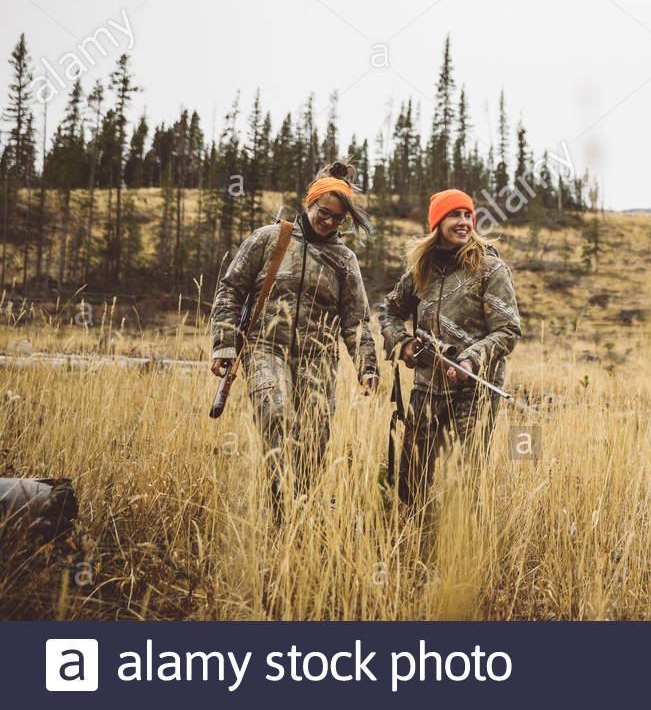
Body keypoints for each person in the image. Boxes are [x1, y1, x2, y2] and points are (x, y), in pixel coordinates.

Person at [210, 161, 380, 519]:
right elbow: (231, 288)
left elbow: (356, 320)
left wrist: (367, 367)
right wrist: (225, 343)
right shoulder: (270, 239)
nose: (330, 222)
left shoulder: (344, 259)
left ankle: (301, 513)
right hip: (265, 349)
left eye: (338, 218)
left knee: (314, 440)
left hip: (318, 358)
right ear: (310, 202)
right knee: (278, 415)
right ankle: (282, 509)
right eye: (324, 212)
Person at [378, 189, 522, 502]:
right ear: (437, 223)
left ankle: (462, 546)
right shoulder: (420, 272)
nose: (464, 222)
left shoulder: (490, 269)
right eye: (454, 215)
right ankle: (414, 541)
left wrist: (470, 360)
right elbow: (388, 312)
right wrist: (401, 342)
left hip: (477, 388)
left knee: (464, 481)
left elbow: (508, 330)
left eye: (468, 215)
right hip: (427, 386)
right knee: (410, 482)